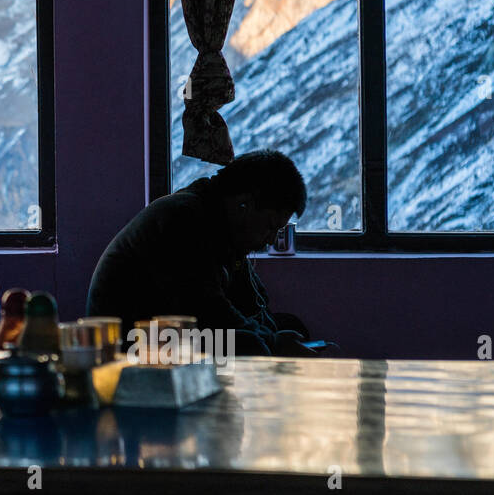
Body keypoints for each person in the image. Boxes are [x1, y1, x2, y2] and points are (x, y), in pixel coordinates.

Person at [86, 149, 322, 357]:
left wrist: (276, 335)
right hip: (134, 344)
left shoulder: (224, 226)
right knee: (251, 346)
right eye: (270, 226)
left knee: (289, 326)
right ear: (244, 205)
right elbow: (208, 310)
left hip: (174, 333)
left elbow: (249, 304)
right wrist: (273, 342)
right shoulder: (183, 219)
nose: (270, 239)